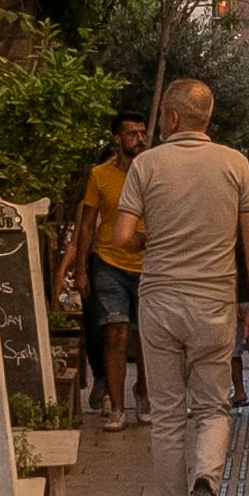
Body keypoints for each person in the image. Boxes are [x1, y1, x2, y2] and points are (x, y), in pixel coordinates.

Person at [119, 77, 249, 496]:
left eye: (162, 116)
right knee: (212, 407)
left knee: (167, 416)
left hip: (160, 300)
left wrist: (151, 238)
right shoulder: (235, 164)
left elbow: (122, 236)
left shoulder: (146, 164)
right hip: (214, 303)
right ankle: (207, 480)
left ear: (174, 118)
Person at [63, 108, 149, 424]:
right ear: (117, 138)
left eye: (142, 133)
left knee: (147, 337)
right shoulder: (100, 175)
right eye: (132, 133)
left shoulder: (152, 172)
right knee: (116, 333)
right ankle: (117, 406)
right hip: (109, 264)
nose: (139, 139)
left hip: (148, 266)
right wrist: (82, 270)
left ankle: (143, 391)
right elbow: (87, 225)